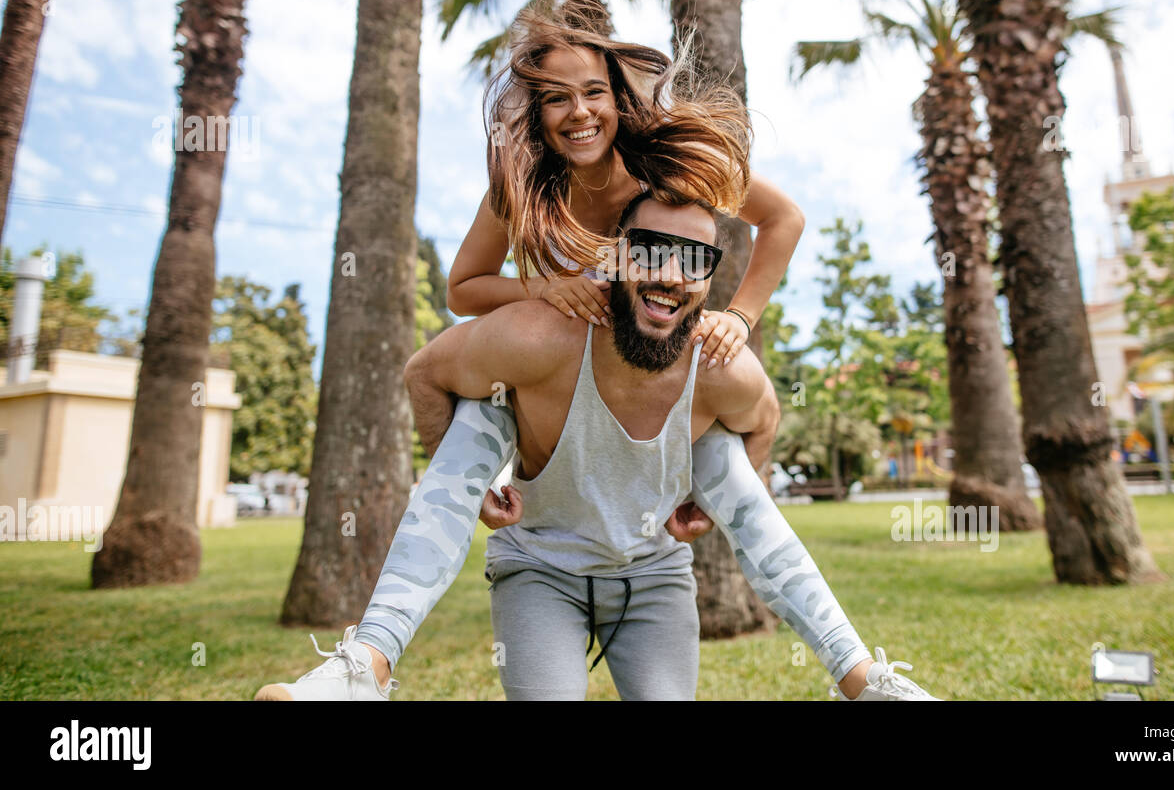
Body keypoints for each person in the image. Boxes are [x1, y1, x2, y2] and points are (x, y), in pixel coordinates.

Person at [257, 194, 938, 700]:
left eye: (693, 259)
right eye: (650, 251)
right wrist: (484, 476)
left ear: (709, 277)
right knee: (482, 414)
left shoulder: (719, 363)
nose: (671, 273)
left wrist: (704, 505)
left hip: (651, 577)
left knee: (724, 460)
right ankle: (364, 666)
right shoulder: (539, 335)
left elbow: (765, 417)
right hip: (539, 570)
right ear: (615, 257)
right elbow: (423, 373)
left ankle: (864, 679)